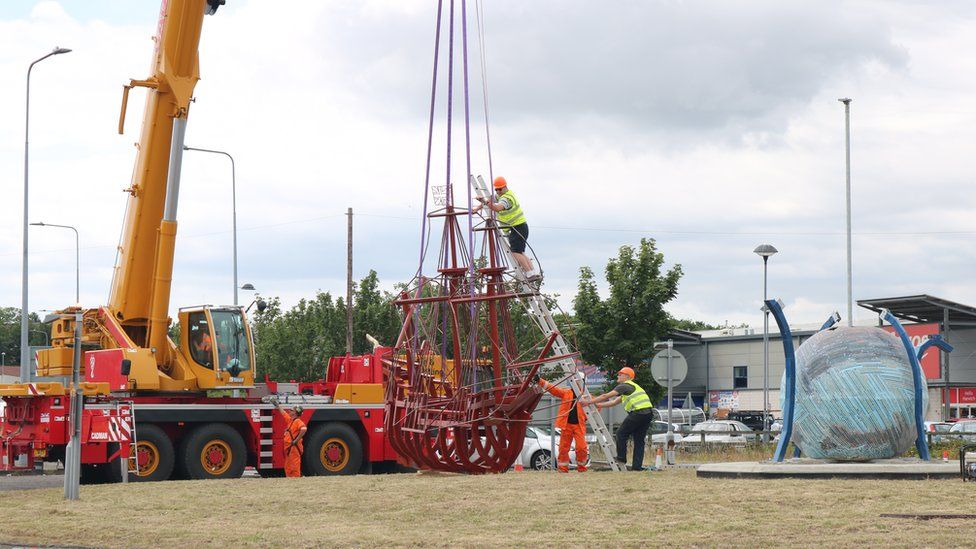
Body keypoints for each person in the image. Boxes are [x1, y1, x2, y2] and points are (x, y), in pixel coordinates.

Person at [582, 366, 653, 471]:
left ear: (627, 376)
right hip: (648, 414)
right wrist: (598, 405)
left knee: (621, 433)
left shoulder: (624, 386)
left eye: (620, 374)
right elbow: (613, 402)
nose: (618, 375)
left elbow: (605, 396)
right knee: (639, 440)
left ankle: (621, 458)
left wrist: (588, 402)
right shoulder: (632, 388)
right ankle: (637, 467)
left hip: (638, 412)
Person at [473, 176, 540, 281]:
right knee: (520, 251)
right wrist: (477, 207)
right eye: (496, 189)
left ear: (505, 187)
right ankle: (532, 272)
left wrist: (484, 201)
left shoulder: (507, 198)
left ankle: (529, 273)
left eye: (500, 189)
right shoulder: (501, 195)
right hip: (519, 226)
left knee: (515, 252)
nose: (498, 191)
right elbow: (490, 200)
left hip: (517, 227)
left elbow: (497, 208)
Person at [537, 375, 588, 472]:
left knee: (582, 447)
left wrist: (584, 417)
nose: (576, 383)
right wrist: (540, 381)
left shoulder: (586, 396)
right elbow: (553, 389)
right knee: (563, 448)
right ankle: (562, 468)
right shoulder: (566, 393)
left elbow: (596, 406)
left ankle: (582, 468)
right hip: (566, 425)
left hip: (579, 425)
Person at [277, 402, 307, 478]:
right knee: (288, 466)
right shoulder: (291, 420)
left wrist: (296, 440)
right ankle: (290, 479)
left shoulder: (297, 421)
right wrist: (277, 406)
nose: (289, 411)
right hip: (290, 448)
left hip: (294, 447)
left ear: (295, 413)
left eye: (291, 410)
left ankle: (295, 481)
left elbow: (304, 429)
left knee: (294, 466)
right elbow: (284, 413)